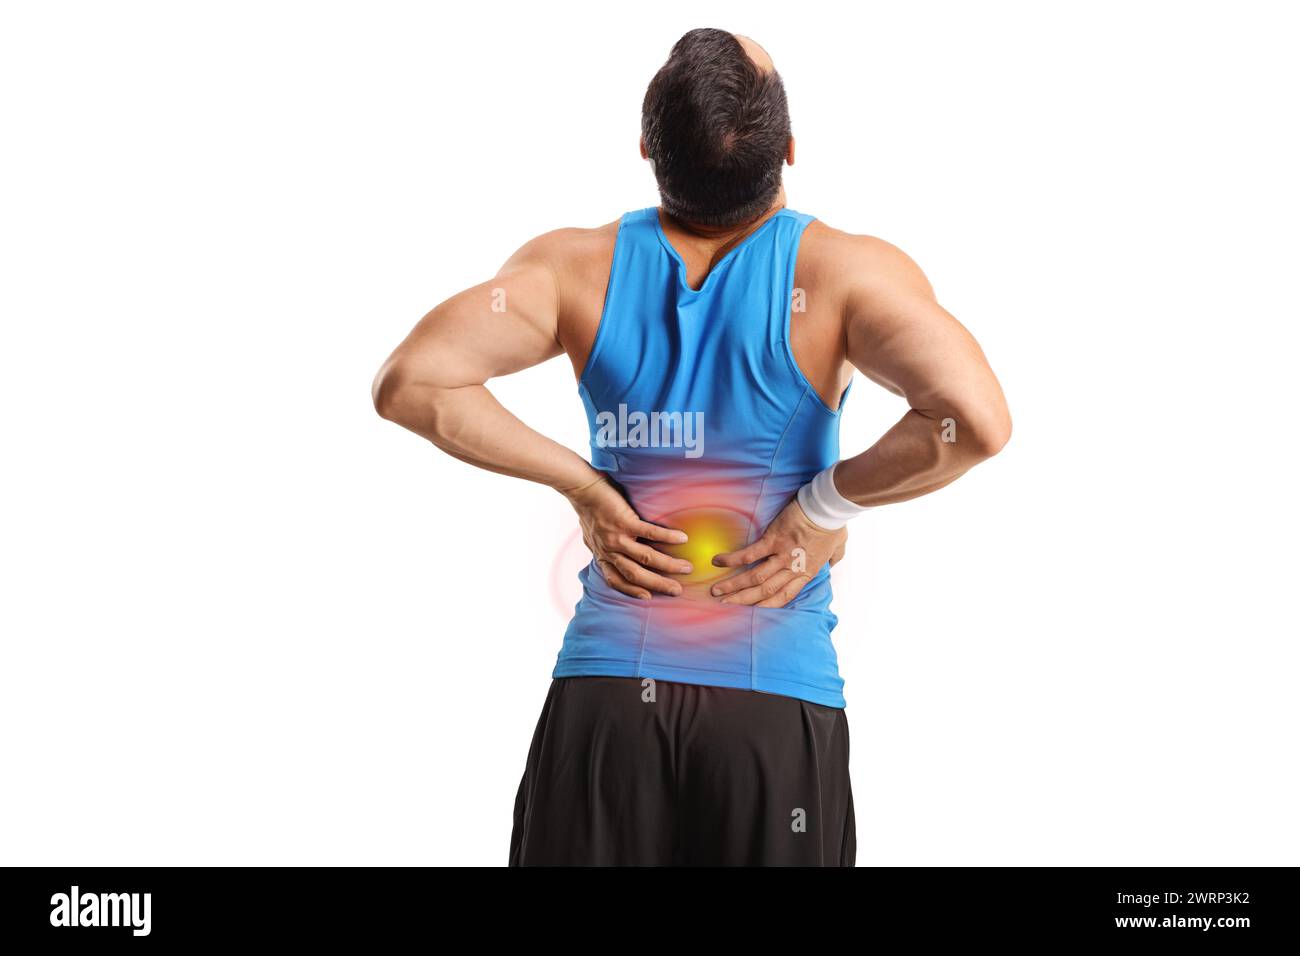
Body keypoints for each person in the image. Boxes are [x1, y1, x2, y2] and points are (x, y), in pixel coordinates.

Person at [373, 28, 1011, 866]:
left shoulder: (574, 268)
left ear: (646, 148)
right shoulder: (848, 274)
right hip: (769, 714)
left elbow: (410, 384)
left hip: (607, 706)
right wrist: (823, 507)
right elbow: (971, 421)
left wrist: (587, 489)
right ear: (789, 150)